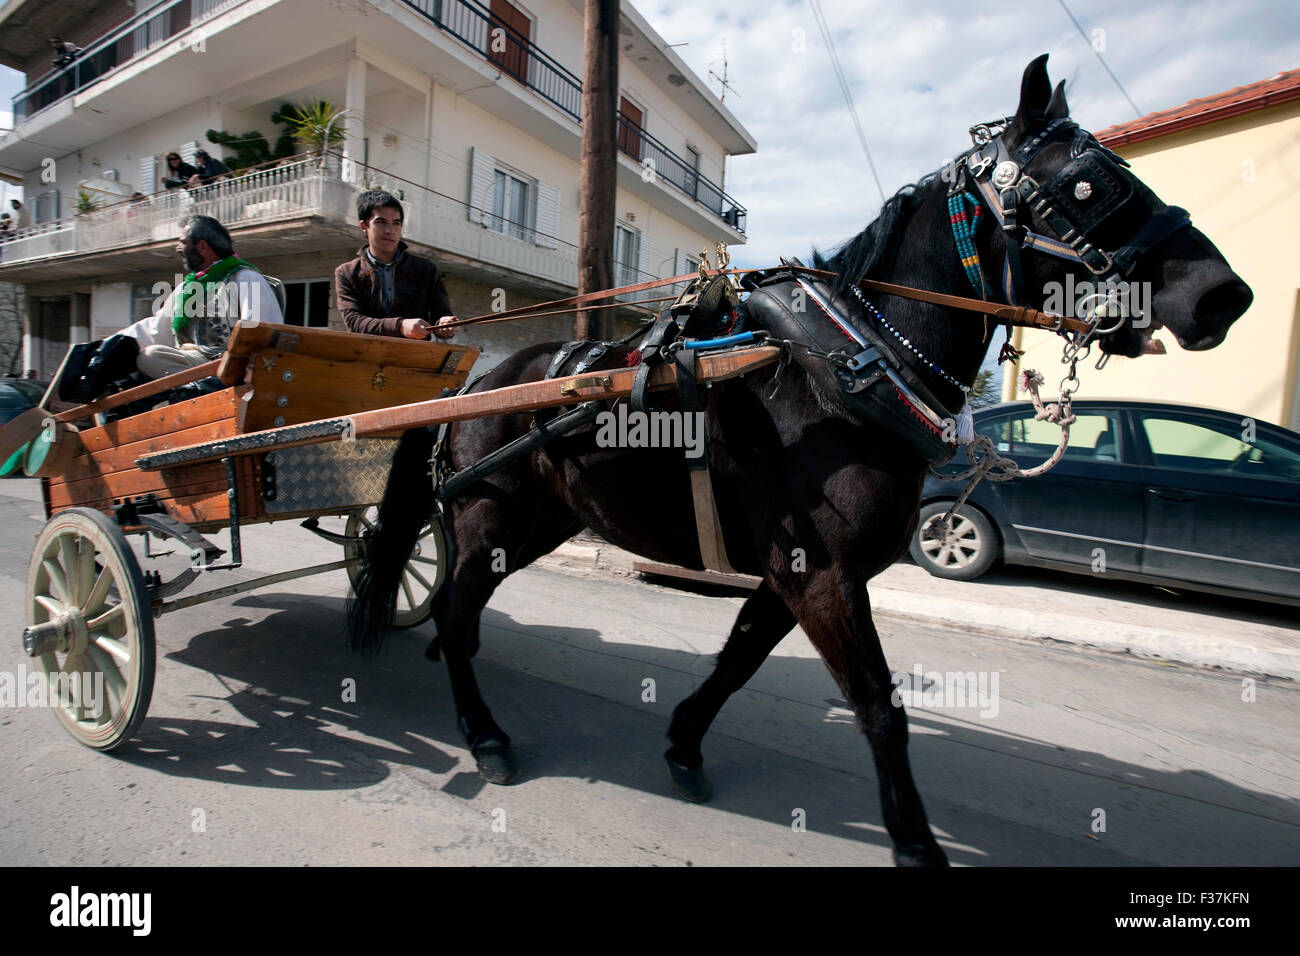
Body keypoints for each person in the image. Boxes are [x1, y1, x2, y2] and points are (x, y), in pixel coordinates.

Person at [121, 214, 283, 379]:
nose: (178, 249)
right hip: (196, 361)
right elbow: (157, 328)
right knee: (149, 357)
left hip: (231, 367)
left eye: (183, 243)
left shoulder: (245, 278)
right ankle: (191, 390)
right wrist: (113, 343)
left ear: (203, 247)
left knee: (151, 357)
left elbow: (262, 333)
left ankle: (205, 390)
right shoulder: (187, 287)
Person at [334, 189, 457, 339]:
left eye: (396, 223)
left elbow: (440, 315)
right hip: (368, 357)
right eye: (381, 222)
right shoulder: (347, 272)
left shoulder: (426, 270)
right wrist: (400, 326)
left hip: (415, 358)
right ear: (364, 226)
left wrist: (444, 324)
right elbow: (354, 322)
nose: (390, 230)